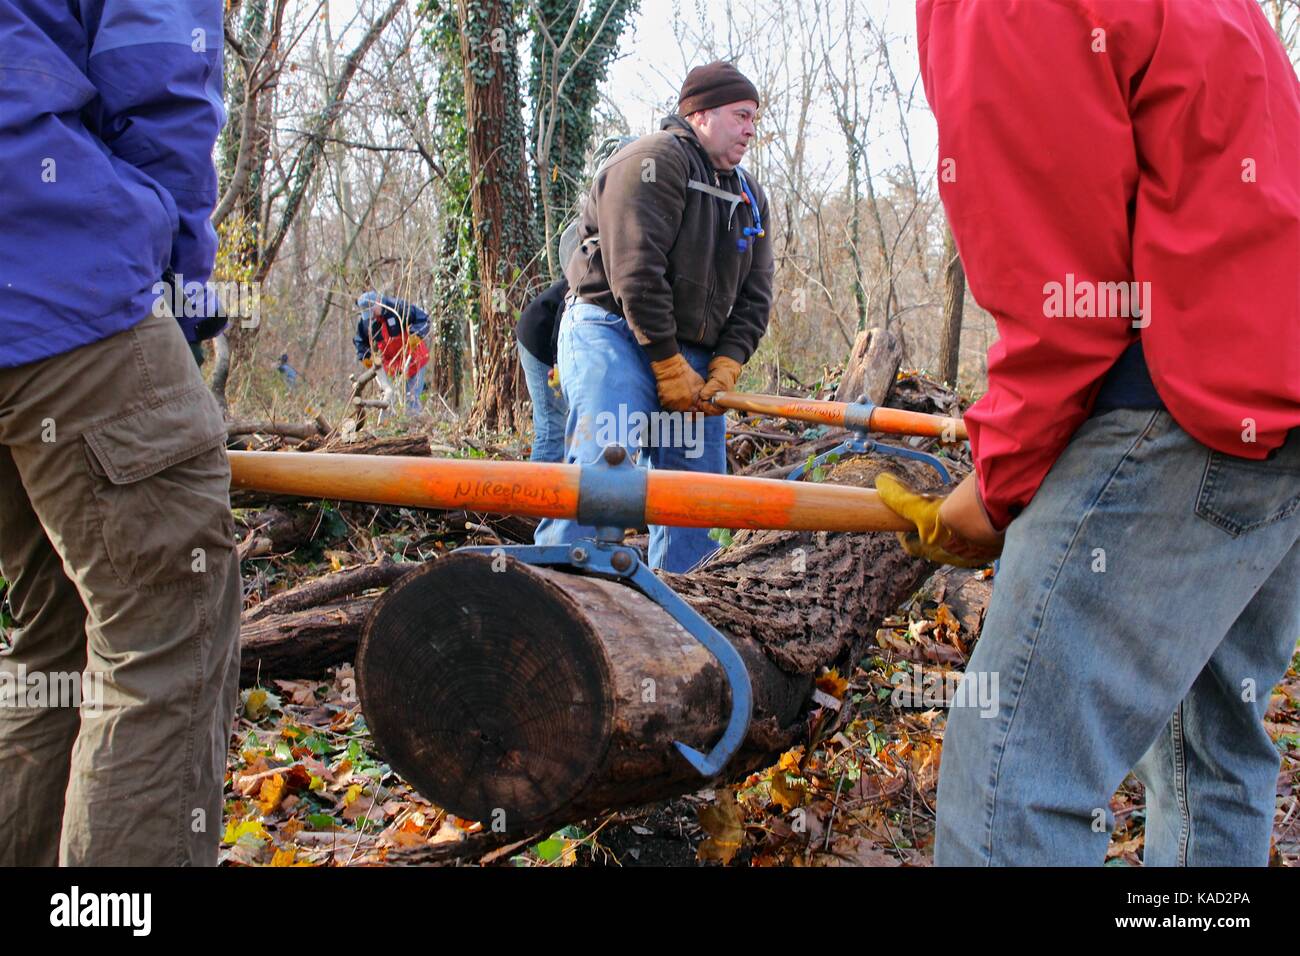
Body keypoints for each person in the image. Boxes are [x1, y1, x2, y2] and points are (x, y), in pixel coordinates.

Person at [877, 0, 1300, 866]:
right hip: (1274, 402)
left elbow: (1064, 300)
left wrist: (995, 486)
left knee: (1012, 780)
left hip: (1177, 411)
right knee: (1212, 754)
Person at [0, 0, 239, 866]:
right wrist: (180, 287)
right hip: (56, 276)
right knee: (165, 630)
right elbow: (161, 81)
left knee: (52, 632)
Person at [534, 62, 774, 573]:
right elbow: (636, 274)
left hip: (690, 349)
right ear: (701, 114)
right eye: (741, 115)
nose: (751, 128)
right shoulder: (652, 160)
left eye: (754, 117)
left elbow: (756, 296)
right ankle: (558, 587)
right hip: (611, 328)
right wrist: (666, 364)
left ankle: (683, 605)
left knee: (694, 492)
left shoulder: (750, 196)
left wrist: (727, 363)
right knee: (606, 460)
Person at [516, 223, 580, 462]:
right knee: (551, 426)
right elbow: (562, 317)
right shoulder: (586, 277)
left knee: (561, 422)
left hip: (545, 336)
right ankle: (538, 497)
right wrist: (557, 364)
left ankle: (555, 488)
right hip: (538, 339)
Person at [353, 291, 431, 414]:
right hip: (392, 364)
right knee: (390, 398)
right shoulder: (368, 322)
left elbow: (424, 319)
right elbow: (360, 341)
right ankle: (391, 425)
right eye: (368, 314)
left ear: (378, 302)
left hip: (414, 359)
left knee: (411, 397)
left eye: (372, 311)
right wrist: (365, 357)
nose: (371, 316)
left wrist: (416, 334)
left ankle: (413, 425)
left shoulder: (398, 307)